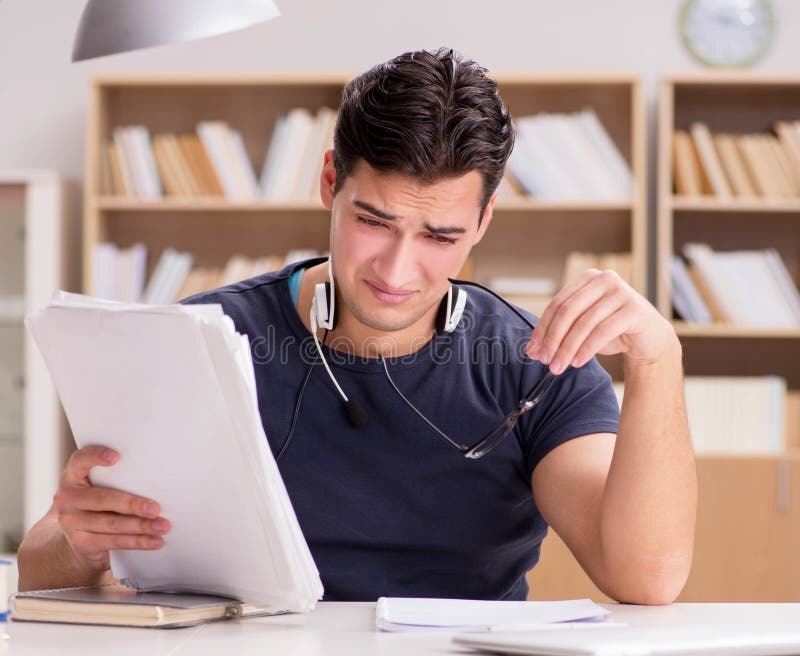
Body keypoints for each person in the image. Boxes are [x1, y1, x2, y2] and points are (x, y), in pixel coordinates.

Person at [17, 48, 696, 603]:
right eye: (374, 221)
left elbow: (645, 576)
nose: (397, 269)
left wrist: (658, 357)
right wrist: (81, 539)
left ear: (482, 224)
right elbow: (39, 570)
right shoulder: (197, 338)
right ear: (328, 182)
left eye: (440, 234)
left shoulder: (534, 360)